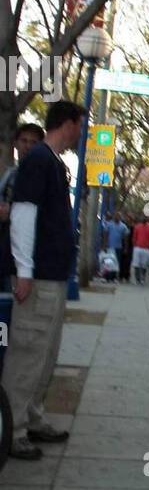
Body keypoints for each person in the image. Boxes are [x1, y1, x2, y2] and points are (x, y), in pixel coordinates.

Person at [3, 101, 87, 460]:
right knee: (27, 355)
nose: (81, 132)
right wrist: (24, 271)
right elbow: (23, 215)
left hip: (51, 277)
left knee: (45, 354)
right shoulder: (38, 160)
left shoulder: (50, 162)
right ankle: (13, 429)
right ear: (67, 124)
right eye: (80, 125)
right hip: (36, 279)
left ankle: (32, 418)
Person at [0, 121, 44, 377]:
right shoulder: (11, 173)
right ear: (16, 144)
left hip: (19, 261)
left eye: (33, 142)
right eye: (24, 141)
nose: (27, 146)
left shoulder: (34, 174)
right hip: (6, 254)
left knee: (12, 318)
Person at [102, 210, 129, 282]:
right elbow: (105, 235)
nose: (117, 217)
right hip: (110, 247)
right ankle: (106, 277)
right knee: (108, 262)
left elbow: (126, 237)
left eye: (118, 216)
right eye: (115, 216)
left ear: (120, 217)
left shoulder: (123, 226)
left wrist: (126, 248)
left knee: (116, 263)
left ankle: (113, 277)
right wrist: (104, 245)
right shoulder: (109, 224)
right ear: (113, 217)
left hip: (118, 247)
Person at [131, 214, 149, 284]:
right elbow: (134, 237)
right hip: (138, 248)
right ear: (141, 218)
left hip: (146, 249)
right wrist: (135, 246)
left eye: (145, 218)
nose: (144, 219)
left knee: (144, 265)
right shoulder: (137, 227)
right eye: (142, 217)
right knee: (136, 265)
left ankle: (143, 278)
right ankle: (137, 279)